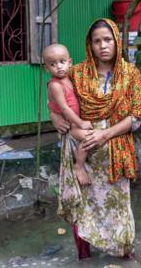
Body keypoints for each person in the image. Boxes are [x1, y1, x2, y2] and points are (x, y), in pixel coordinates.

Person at [50, 18, 141, 260]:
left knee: (119, 208)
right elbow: (56, 94)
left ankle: (124, 257)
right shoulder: (76, 73)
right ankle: (84, 258)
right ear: (89, 45)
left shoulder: (131, 74)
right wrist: (55, 119)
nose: (103, 45)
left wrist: (105, 134)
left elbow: (137, 116)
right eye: (97, 41)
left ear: (117, 41)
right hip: (81, 151)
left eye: (107, 39)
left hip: (115, 152)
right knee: (83, 206)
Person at [43, 44, 93, 186]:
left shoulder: (71, 77)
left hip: (75, 121)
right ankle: (79, 165)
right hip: (71, 125)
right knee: (88, 137)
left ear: (70, 62)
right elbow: (64, 109)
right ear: (47, 68)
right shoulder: (55, 85)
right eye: (53, 64)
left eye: (62, 62)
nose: (59, 67)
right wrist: (80, 123)